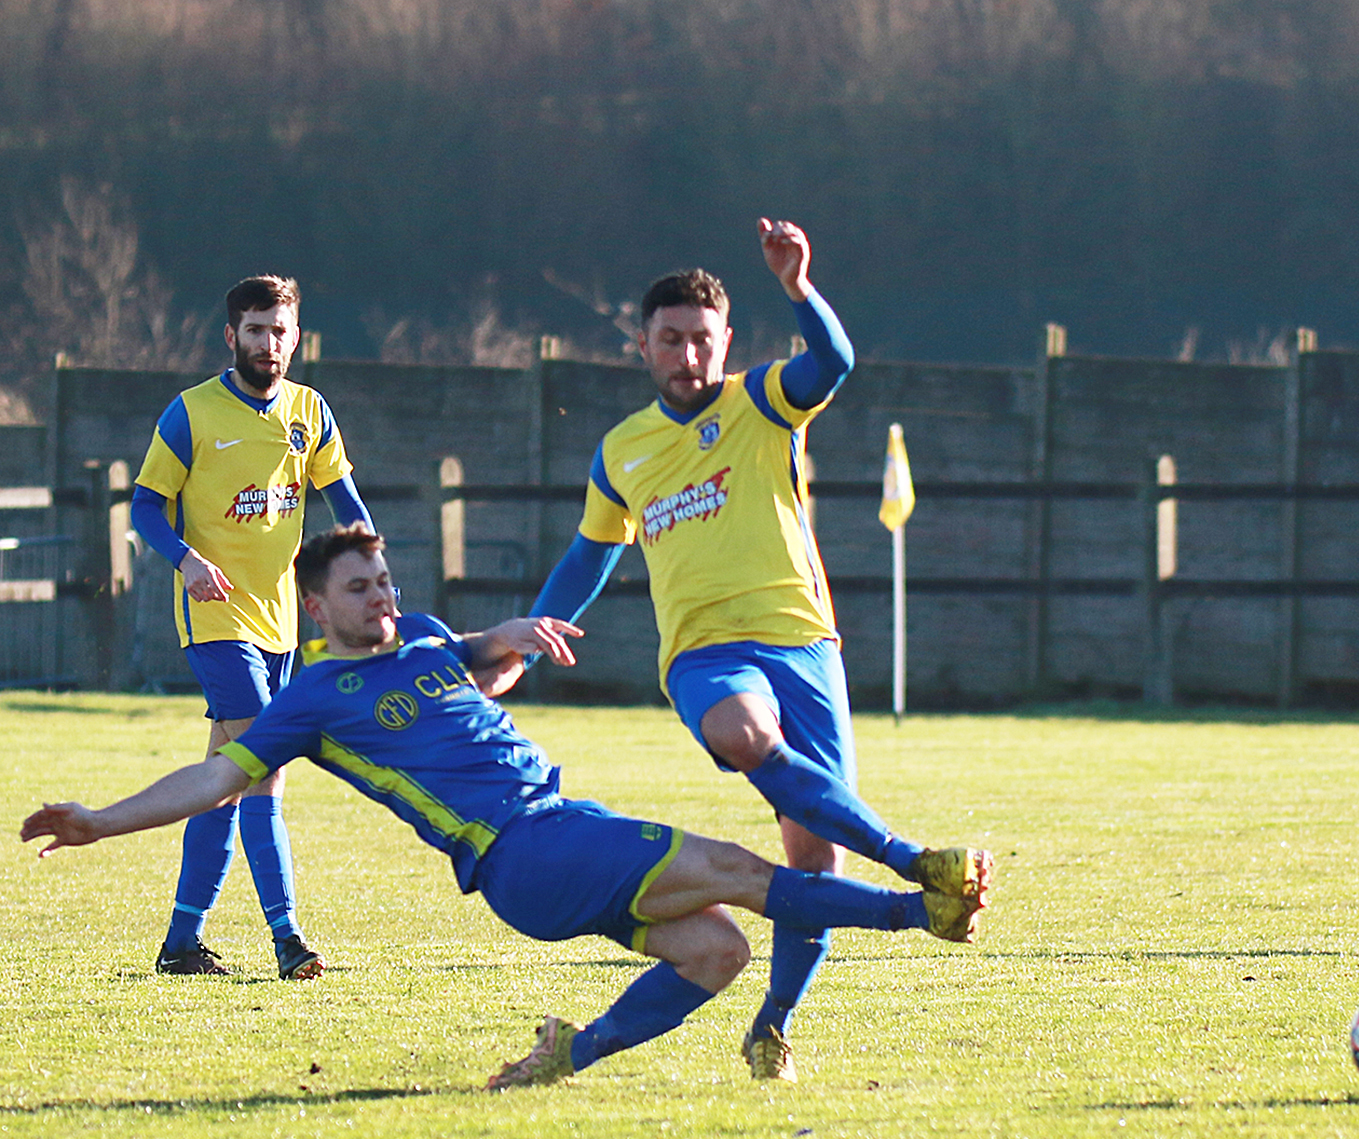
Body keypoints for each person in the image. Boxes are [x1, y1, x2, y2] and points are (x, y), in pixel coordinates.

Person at [20, 524, 991, 1090]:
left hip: (559, 832)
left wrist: (513, 635)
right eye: (359, 588)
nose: (382, 596)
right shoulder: (311, 700)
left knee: (717, 952)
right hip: (525, 849)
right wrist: (102, 820)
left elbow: (482, 652)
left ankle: (570, 1054)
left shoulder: (428, 642)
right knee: (741, 871)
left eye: (386, 579)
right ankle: (923, 905)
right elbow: (215, 780)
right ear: (317, 609)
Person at [528, 218, 991, 1081]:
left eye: (703, 340)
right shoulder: (621, 450)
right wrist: (535, 628)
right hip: (705, 654)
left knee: (813, 862)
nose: (688, 355)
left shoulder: (762, 400)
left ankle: (772, 1024)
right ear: (643, 345)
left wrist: (799, 289)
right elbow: (592, 551)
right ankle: (912, 862)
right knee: (744, 735)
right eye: (671, 340)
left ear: (725, 342)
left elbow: (836, 366)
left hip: (805, 643)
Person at [129, 275, 374, 980]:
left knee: (224, 782)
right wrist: (186, 559)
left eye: (282, 331)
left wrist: (368, 568)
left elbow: (343, 498)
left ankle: (181, 943)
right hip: (215, 618)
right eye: (257, 330)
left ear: (297, 338)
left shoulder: (309, 411)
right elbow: (146, 505)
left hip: (280, 622)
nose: (271, 343)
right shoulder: (191, 413)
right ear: (231, 336)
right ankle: (288, 939)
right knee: (266, 765)